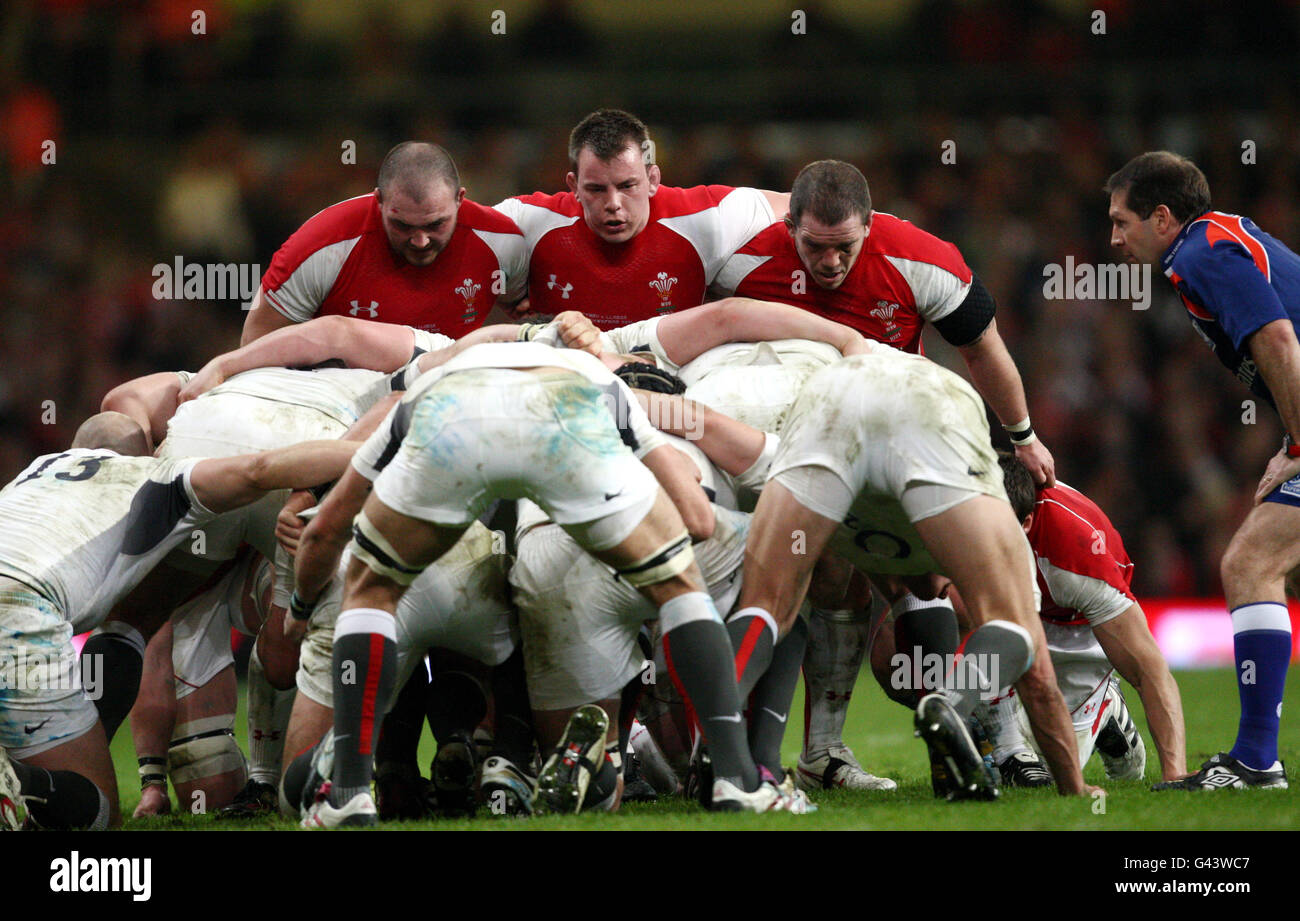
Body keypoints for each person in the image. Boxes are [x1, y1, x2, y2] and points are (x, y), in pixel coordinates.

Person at [290, 340, 810, 827]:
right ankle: (737, 778)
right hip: (572, 425)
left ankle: (351, 791)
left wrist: (299, 606)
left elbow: (322, 531)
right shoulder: (604, 385)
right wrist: (662, 560)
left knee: (372, 592)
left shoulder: (422, 391)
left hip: (455, 430)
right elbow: (697, 519)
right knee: (680, 586)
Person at [730, 348, 1093, 798]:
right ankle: (950, 705)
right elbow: (1038, 681)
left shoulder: (850, 510)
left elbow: (725, 436)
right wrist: (1074, 787)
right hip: (932, 403)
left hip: (830, 396)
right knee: (1015, 630)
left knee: (767, 605)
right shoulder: (988, 521)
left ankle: (722, 761)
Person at [0, 412, 354, 828]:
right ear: (149, 450)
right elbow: (259, 470)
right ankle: (21, 782)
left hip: (17, 596)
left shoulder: (33, 471)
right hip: (19, 611)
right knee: (97, 816)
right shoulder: (156, 477)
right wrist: (376, 448)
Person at [1106, 150, 1294, 790]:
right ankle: (1257, 759)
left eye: (1121, 221)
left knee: (1251, 564)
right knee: (1262, 565)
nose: (1114, 238)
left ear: (1162, 217)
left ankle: (1256, 761)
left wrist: (1299, 445)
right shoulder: (1214, 243)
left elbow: (1277, 342)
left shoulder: (1198, 254)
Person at [983, 454, 1187, 786]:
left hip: (1072, 625)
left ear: (1026, 524)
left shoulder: (1075, 559)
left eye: (998, 529)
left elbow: (1148, 670)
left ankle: (1105, 708)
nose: (983, 540)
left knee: (1050, 768)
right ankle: (1007, 747)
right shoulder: (955, 510)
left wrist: (1175, 773)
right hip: (1015, 607)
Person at [493, 109, 786, 327]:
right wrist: (510, 296)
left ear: (653, 179)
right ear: (574, 186)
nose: (613, 204)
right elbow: (456, 227)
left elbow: (806, 204)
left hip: (671, 387)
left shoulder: (707, 216)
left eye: (627, 186)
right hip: (564, 383)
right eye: (596, 189)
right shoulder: (530, 219)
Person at [240, 142, 528, 344]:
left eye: (435, 224)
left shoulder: (503, 243)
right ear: (378, 200)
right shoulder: (320, 247)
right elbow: (255, 350)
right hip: (337, 394)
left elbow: (535, 321)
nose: (420, 241)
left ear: (459, 199)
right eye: (402, 225)